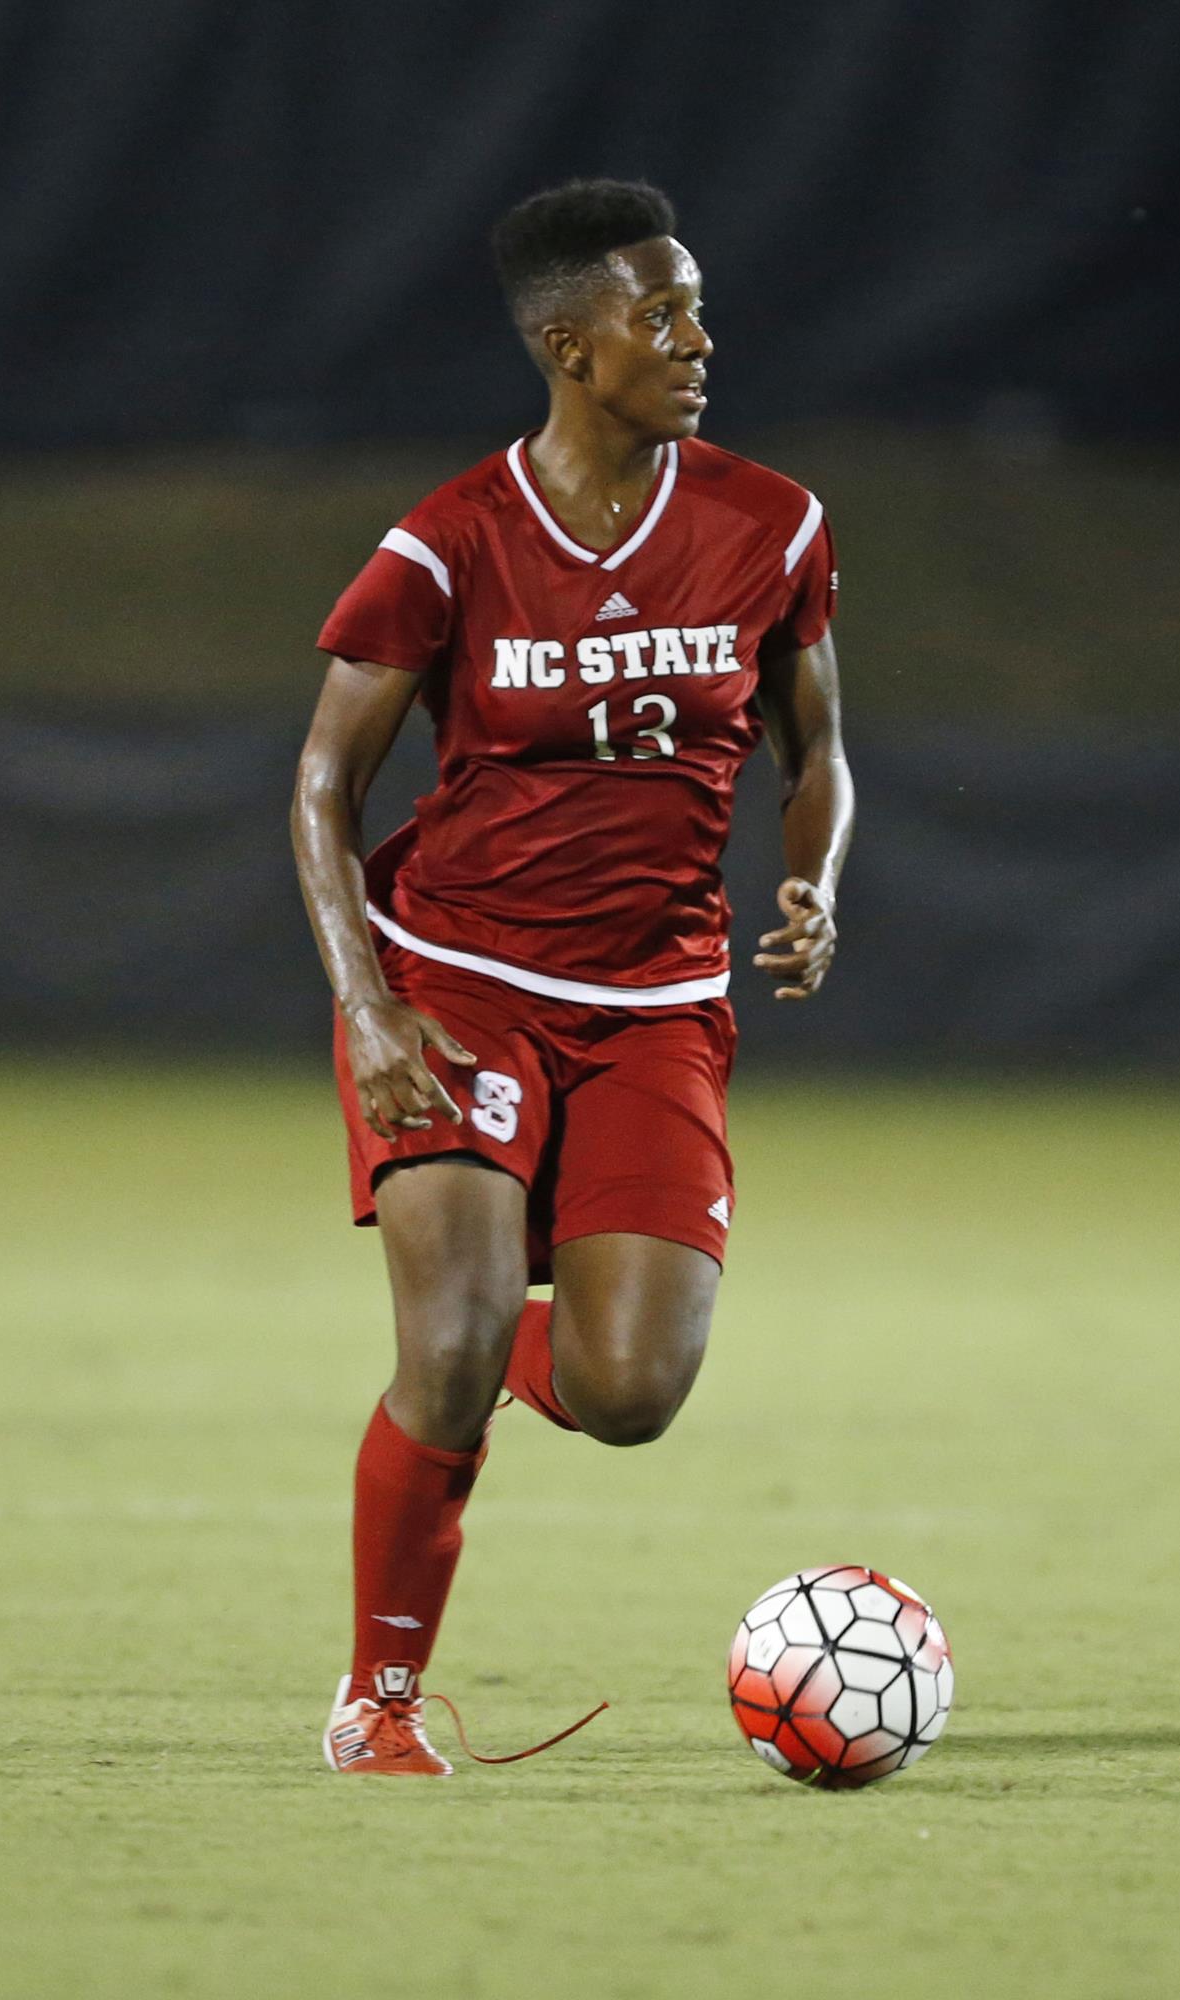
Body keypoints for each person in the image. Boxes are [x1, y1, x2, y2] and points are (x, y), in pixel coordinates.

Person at [292, 178, 853, 1776]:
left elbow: (819, 751)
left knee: (626, 1391)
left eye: (694, 308)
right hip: (458, 982)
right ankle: (377, 1703)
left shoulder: (773, 524)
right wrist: (369, 1003)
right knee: (453, 1343)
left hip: (658, 1006)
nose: (697, 339)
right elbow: (324, 786)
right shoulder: (450, 542)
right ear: (565, 343)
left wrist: (809, 876)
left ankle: (502, 1358)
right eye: (658, 314)